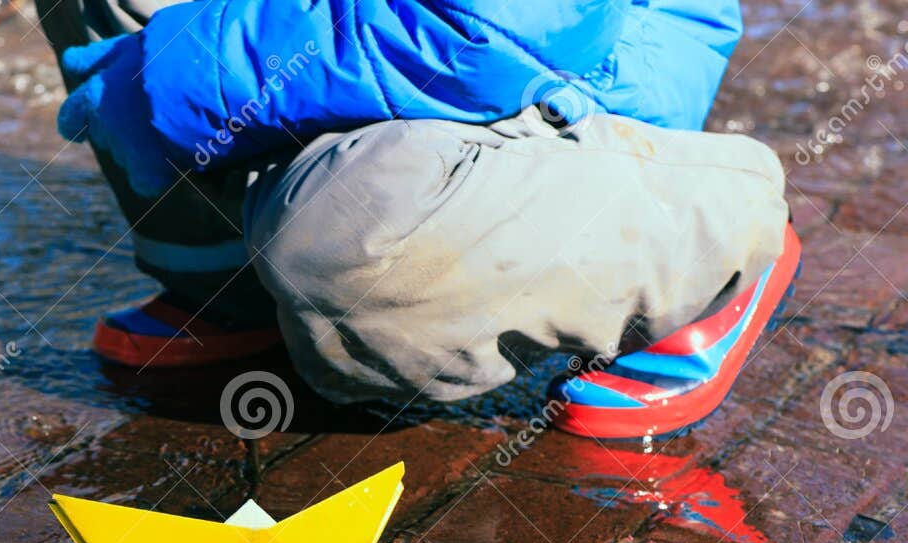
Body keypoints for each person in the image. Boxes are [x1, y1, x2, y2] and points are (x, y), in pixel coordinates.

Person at [39, 0, 799, 440]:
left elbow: (491, 26)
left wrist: (177, 80)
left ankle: (697, 233)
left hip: (545, 72)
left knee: (344, 233)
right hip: (376, 40)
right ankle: (232, 283)